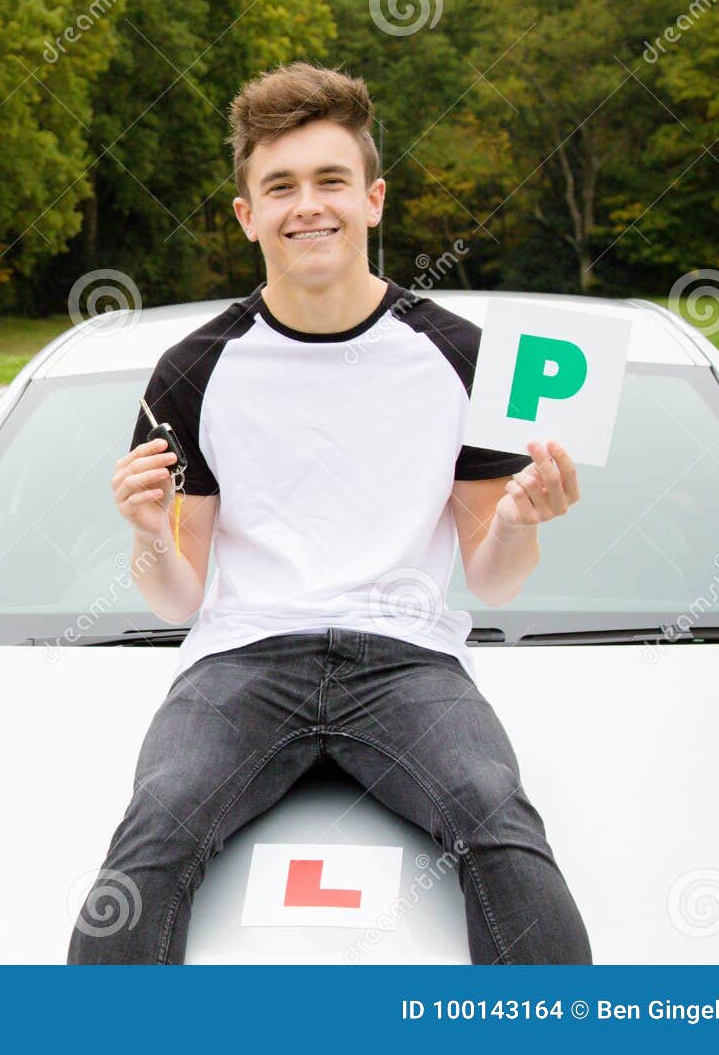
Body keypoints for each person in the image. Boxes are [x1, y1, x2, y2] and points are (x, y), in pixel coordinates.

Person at [66, 61, 592, 965]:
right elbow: (176, 600)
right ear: (248, 215)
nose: (308, 206)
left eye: (331, 181)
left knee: (499, 820)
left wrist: (522, 518)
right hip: (244, 659)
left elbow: (494, 575)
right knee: (153, 832)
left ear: (373, 198)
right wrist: (150, 536)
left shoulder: (463, 357)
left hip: (409, 660)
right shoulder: (194, 369)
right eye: (281, 187)